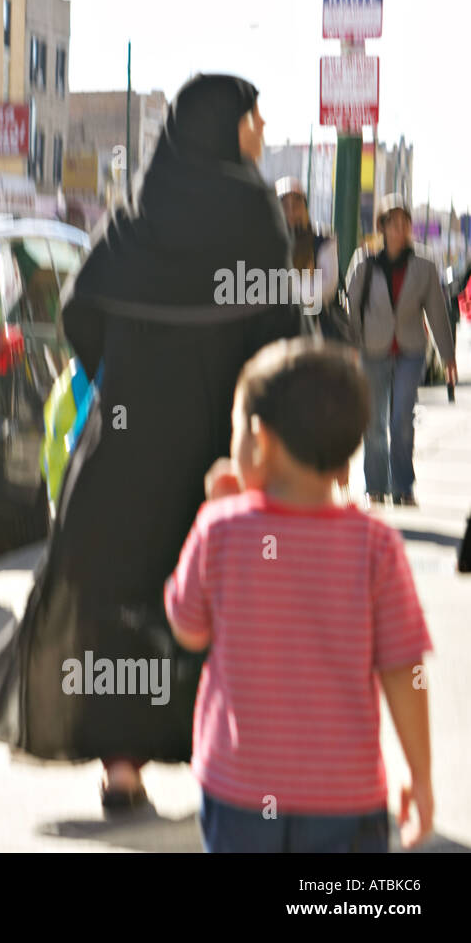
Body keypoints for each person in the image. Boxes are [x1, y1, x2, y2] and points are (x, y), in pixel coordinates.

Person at [0, 74, 302, 808]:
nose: (261, 127)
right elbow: (282, 338)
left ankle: (121, 765)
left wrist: (125, 374)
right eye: (255, 115)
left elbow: (81, 311)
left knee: (117, 599)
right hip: (223, 458)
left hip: (123, 453)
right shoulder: (253, 218)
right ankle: (234, 765)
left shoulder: (137, 220)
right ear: (227, 127)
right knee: (227, 602)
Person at [166, 339, 434, 852]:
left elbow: (189, 627)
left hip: (238, 790)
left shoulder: (220, 528)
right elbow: (405, 668)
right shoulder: (376, 546)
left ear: (259, 441)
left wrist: (213, 518)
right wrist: (420, 777)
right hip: (347, 798)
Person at [345, 195, 457, 507]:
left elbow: (437, 312)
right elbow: (351, 310)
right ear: (381, 226)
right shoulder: (363, 262)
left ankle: (403, 487)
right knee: (374, 424)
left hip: (410, 351)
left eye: (405, 222)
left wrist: (448, 355)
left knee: (401, 420)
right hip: (371, 350)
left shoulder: (424, 265)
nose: (400, 228)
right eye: (393, 222)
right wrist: (350, 352)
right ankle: (375, 487)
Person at [276, 175, 338, 323]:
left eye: (296, 205)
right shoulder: (269, 242)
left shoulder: (323, 241)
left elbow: (328, 287)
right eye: (285, 206)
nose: (291, 212)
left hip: (312, 325)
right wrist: (307, 282)